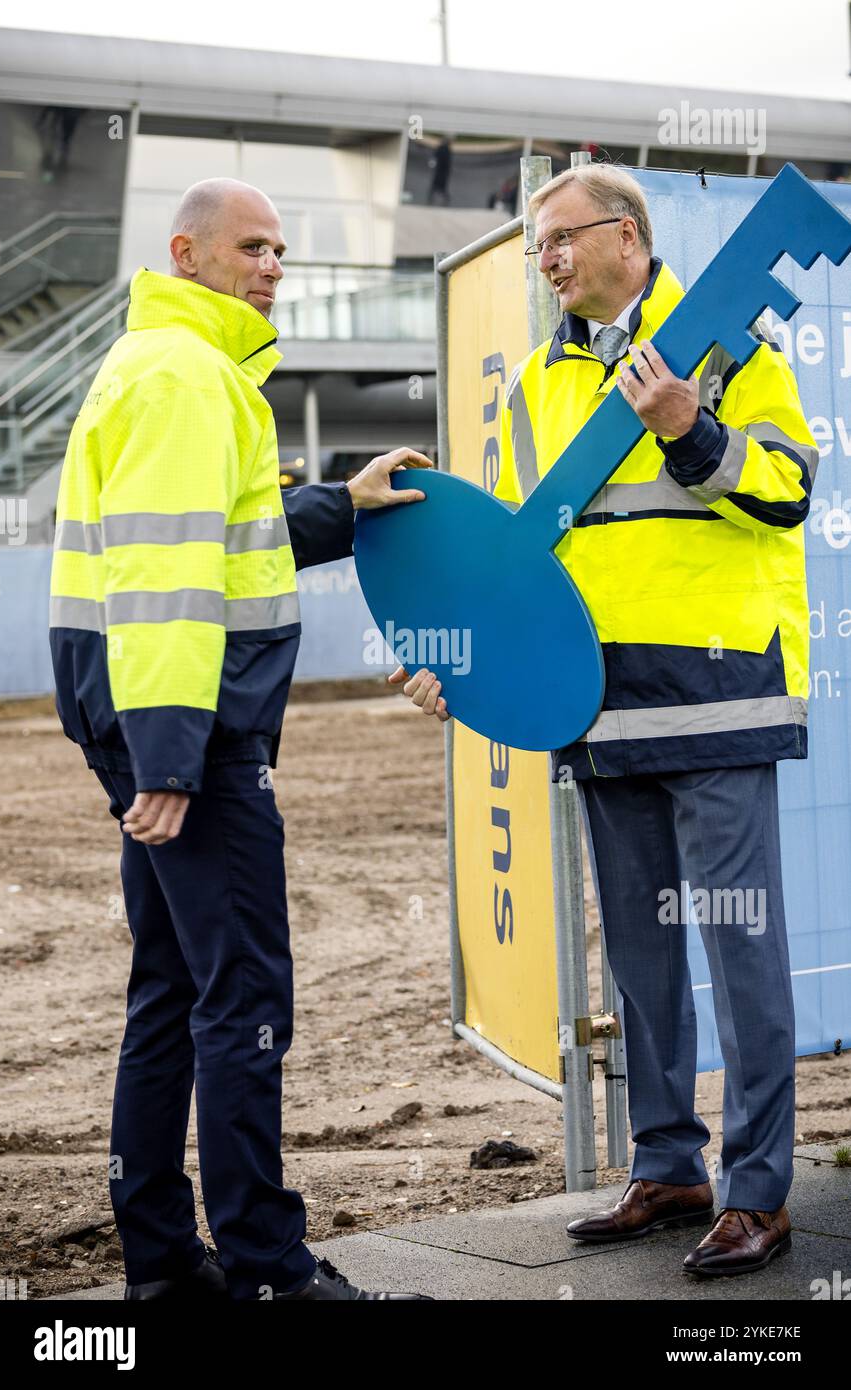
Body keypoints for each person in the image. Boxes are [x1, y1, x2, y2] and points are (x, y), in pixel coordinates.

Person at [392, 163, 819, 1278]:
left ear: (625, 236)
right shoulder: (534, 383)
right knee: (640, 956)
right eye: (537, 246)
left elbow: (788, 487)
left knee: (743, 955)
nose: (546, 260)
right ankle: (669, 1165)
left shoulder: (730, 340)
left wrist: (691, 427)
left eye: (560, 239)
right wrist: (461, 658)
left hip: (720, 689)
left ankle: (760, 1190)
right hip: (603, 704)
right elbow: (517, 557)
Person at [49, 177, 434, 1302]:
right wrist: (171, 756)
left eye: (281, 249)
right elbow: (165, 581)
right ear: (188, 252)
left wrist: (343, 502)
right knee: (245, 998)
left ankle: (166, 1266)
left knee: (171, 991)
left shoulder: (170, 369)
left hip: (158, 729)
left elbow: (229, 539)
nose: (274, 266)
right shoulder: (186, 378)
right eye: (253, 246)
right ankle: (269, 1267)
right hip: (193, 741)